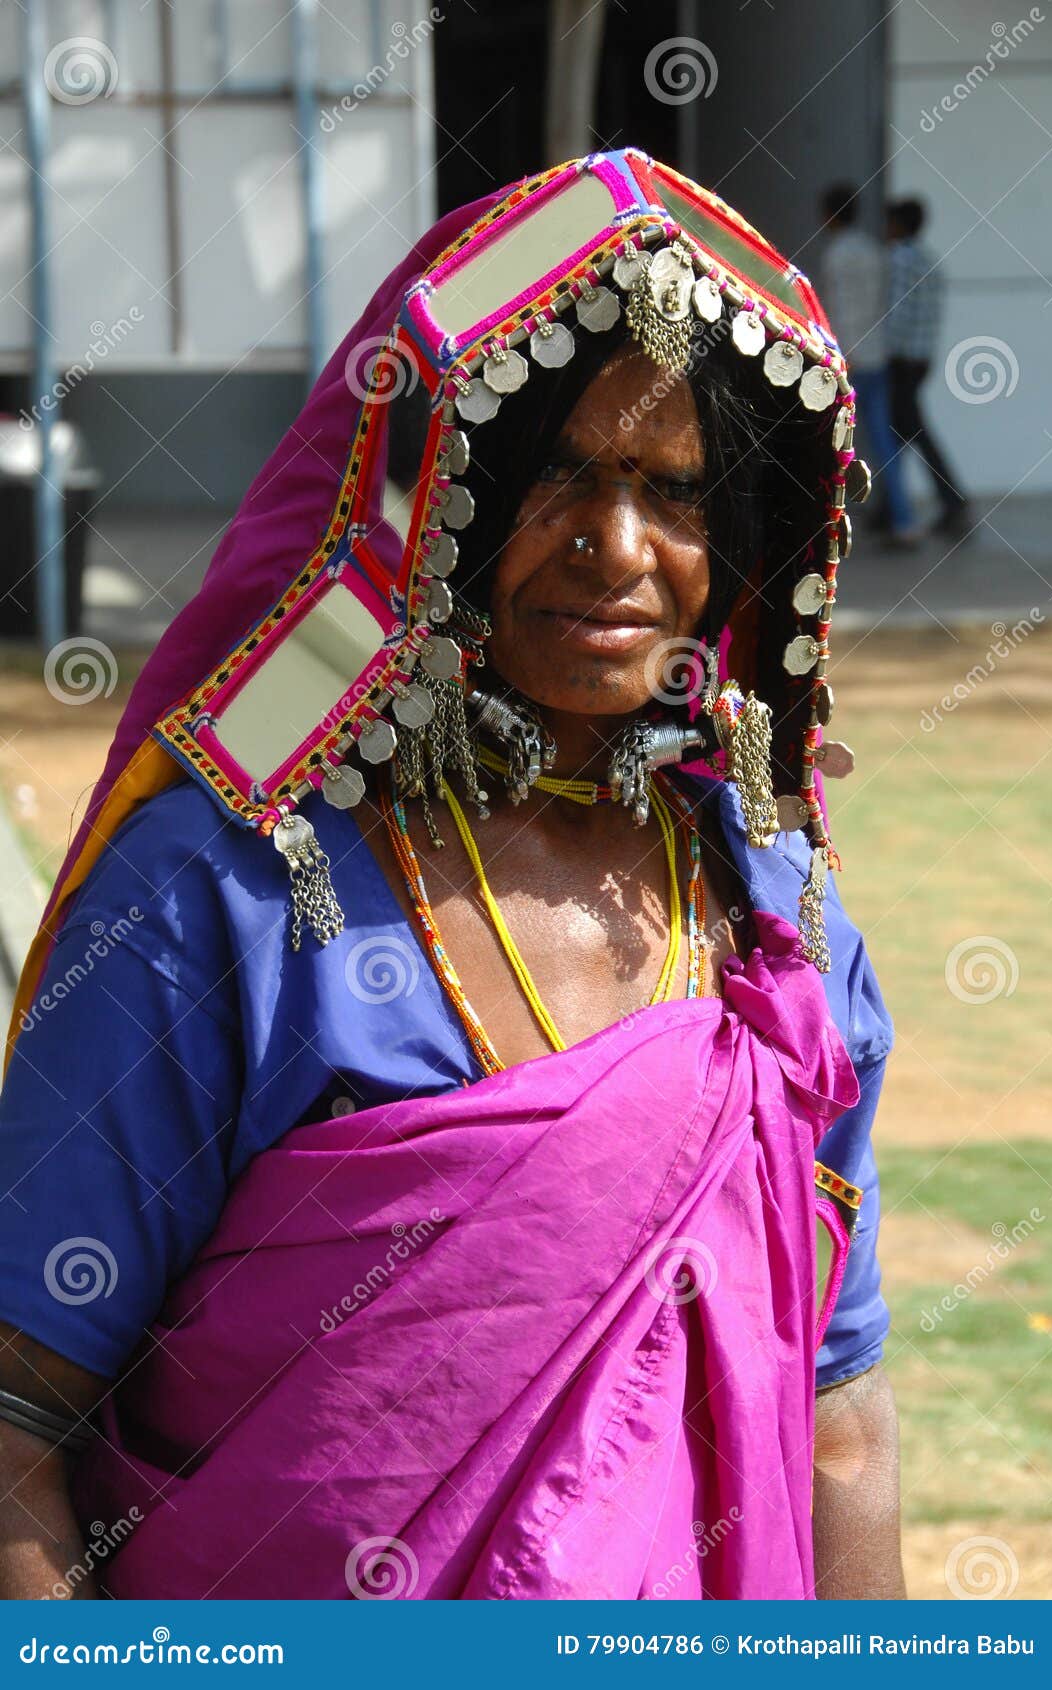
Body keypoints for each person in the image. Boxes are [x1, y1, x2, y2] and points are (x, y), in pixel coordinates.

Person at [0, 148, 903, 1601]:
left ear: (739, 546)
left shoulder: (776, 918)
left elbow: (835, 1413)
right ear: (434, 495)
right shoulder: (223, 897)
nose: (614, 549)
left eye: (673, 492)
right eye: (554, 473)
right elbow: (18, 1406)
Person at [819, 183, 917, 546]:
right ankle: (899, 515)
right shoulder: (875, 251)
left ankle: (847, 515)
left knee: (838, 438)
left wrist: (842, 354)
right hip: (877, 354)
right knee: (882, 437)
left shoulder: (837, 255)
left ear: (828, 216)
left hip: (852, 358)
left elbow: (841, 310)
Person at [886, 196, 971, 537]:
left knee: (911, 431)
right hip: (922, 359)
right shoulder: (928, 260)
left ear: (900, 225)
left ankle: (952, 501)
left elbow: (896, 313)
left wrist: (883, 351)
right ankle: (892, 504)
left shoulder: (900, 260)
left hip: (901, 359)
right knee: (901, 431)